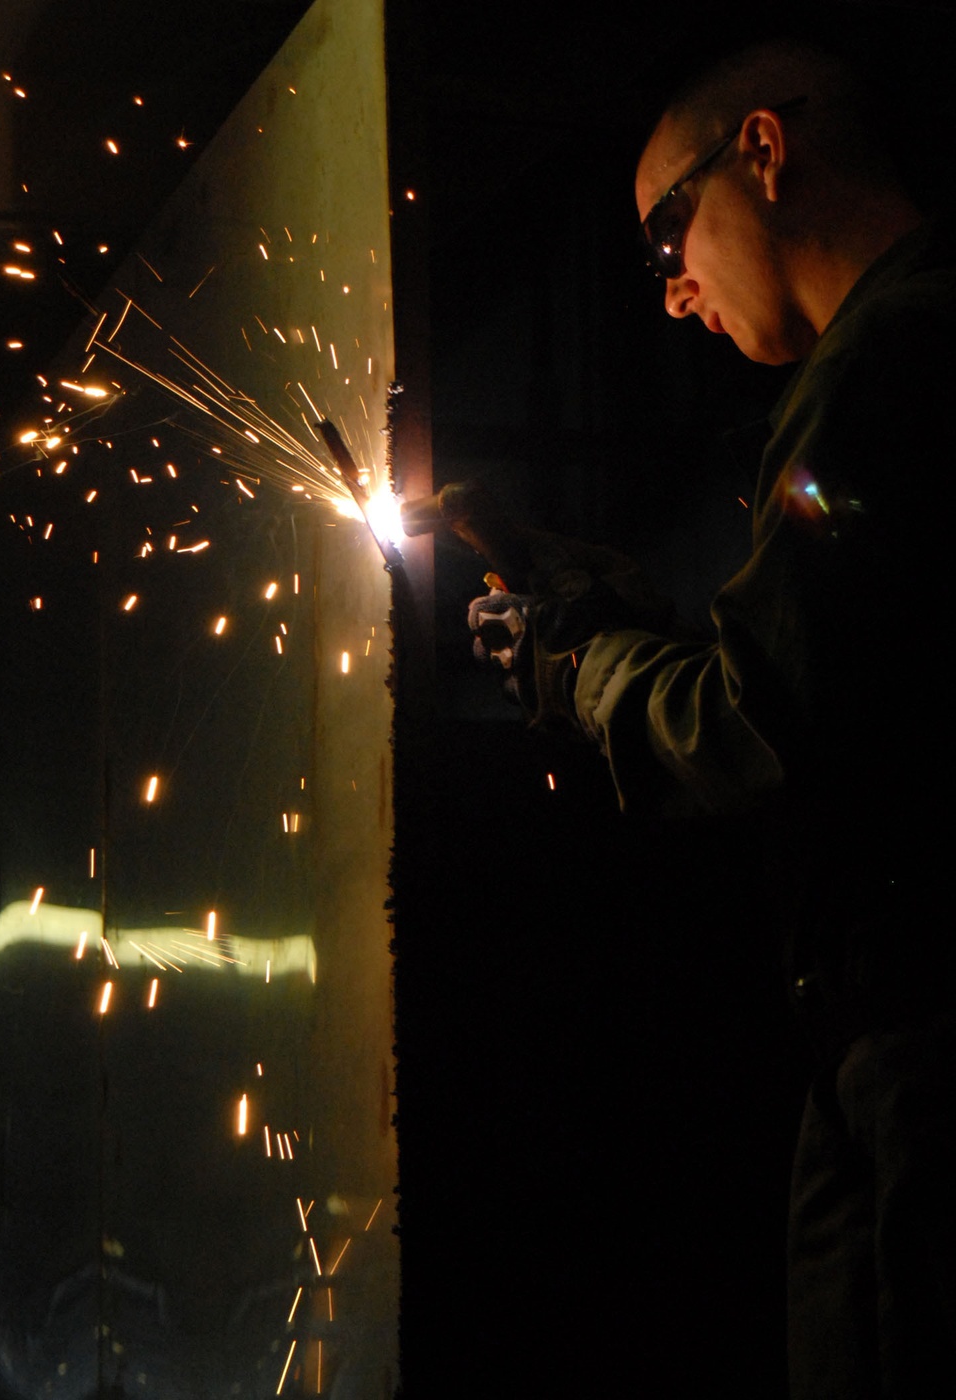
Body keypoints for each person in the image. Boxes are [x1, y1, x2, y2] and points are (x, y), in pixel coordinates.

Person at [468, 34, 956, 1399]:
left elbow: (765, 725)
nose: (674, 292)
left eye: (666, 236)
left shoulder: (890, 367)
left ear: (764, 150)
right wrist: (630, 631)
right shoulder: (897, 362)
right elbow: (842, 684)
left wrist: (585, 669)